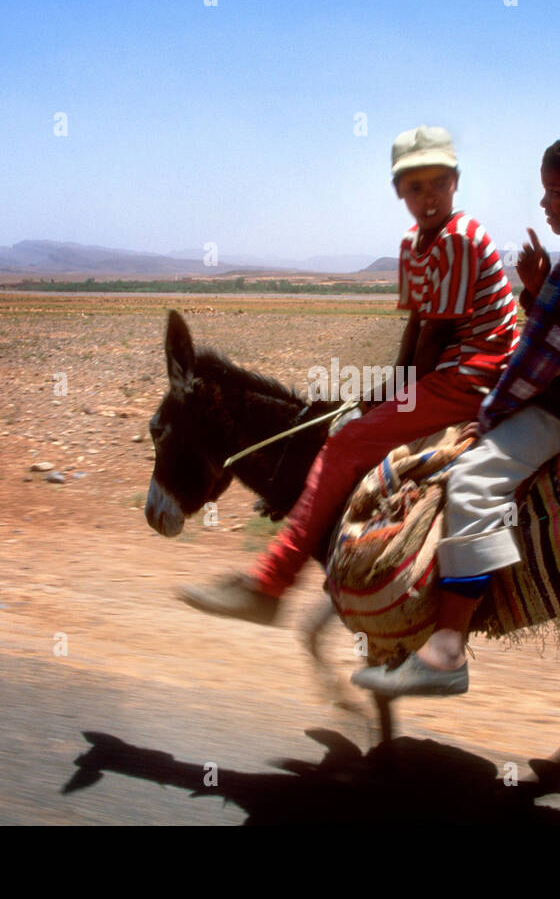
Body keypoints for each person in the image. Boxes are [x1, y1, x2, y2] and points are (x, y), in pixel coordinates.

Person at [178, 125, 518, 627]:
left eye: (438, 184)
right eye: (415, 187)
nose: (427, 197)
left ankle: (270, 583)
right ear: (399, 192)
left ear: (456, 181)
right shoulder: (413, 244)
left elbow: (434, 343)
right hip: (444, 371)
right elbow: (416, 327)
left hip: (475, 373)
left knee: (343, 446)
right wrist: (383, 392)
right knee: (358, 425)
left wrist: (383, 401)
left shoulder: (459, 239)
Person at [351, 128, 560, 697]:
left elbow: (540, 359)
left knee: (472, 480)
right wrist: (537, 291)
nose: (544, 204)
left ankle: (445, 651)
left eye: (556, 194)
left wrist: (490, 411)